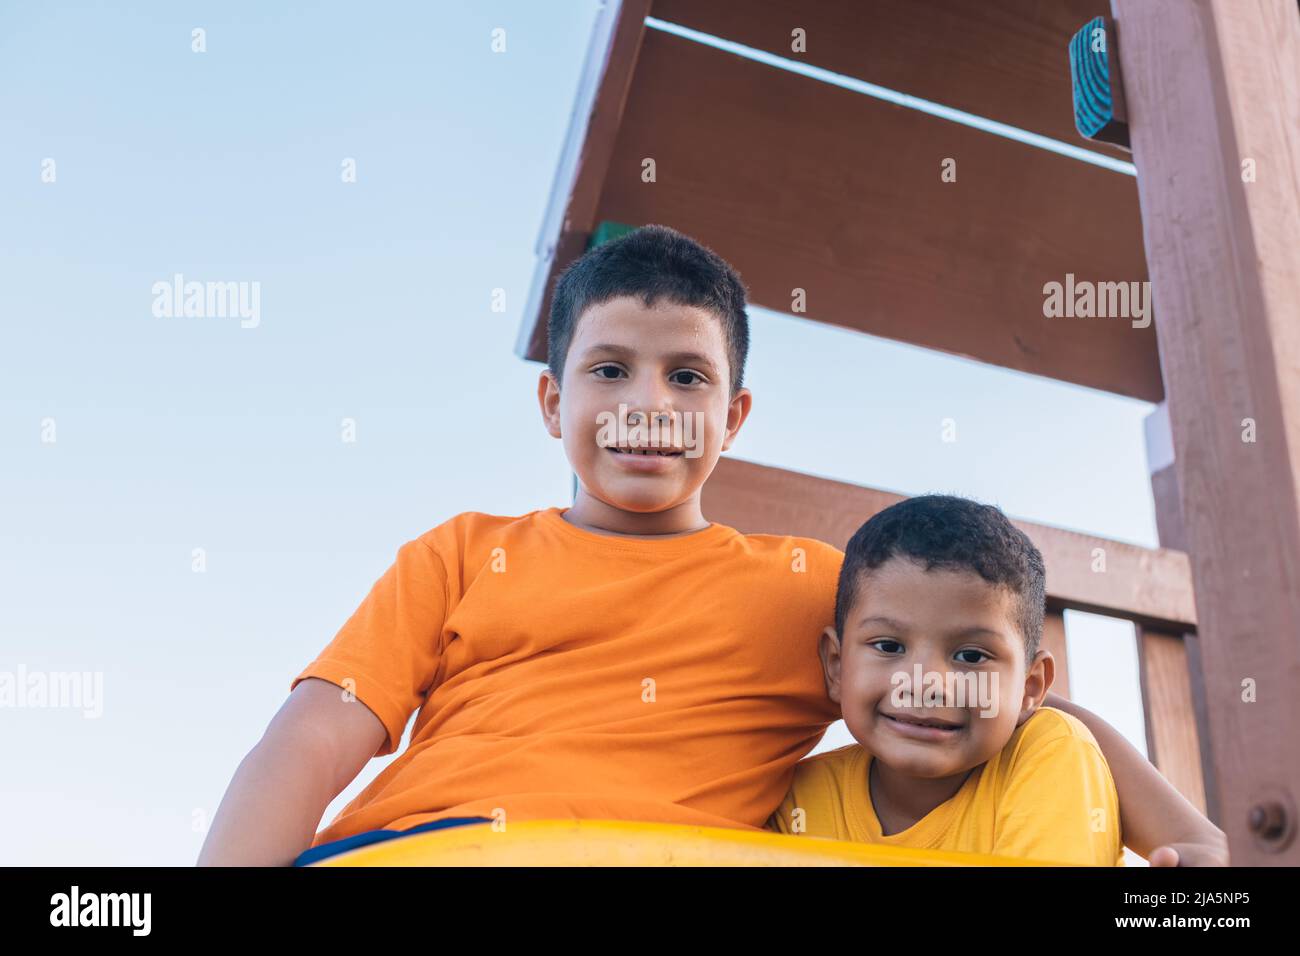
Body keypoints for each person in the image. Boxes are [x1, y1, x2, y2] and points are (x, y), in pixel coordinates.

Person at [197, 225, 1226, 866]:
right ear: (554, 400)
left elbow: (1022, 705)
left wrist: (1196, 845)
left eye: (686, 376)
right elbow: (308, 740)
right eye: (609, 369)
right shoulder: (462, 553)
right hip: (437, 850)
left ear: (731, 415)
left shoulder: (807, 592)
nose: (648, 403)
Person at [767, 495, 1122, 864]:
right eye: (889, 646)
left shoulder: (1049, 755)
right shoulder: (801, 800)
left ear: (1029, 688)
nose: (926, 684)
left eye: (970, 656)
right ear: (837, 665)